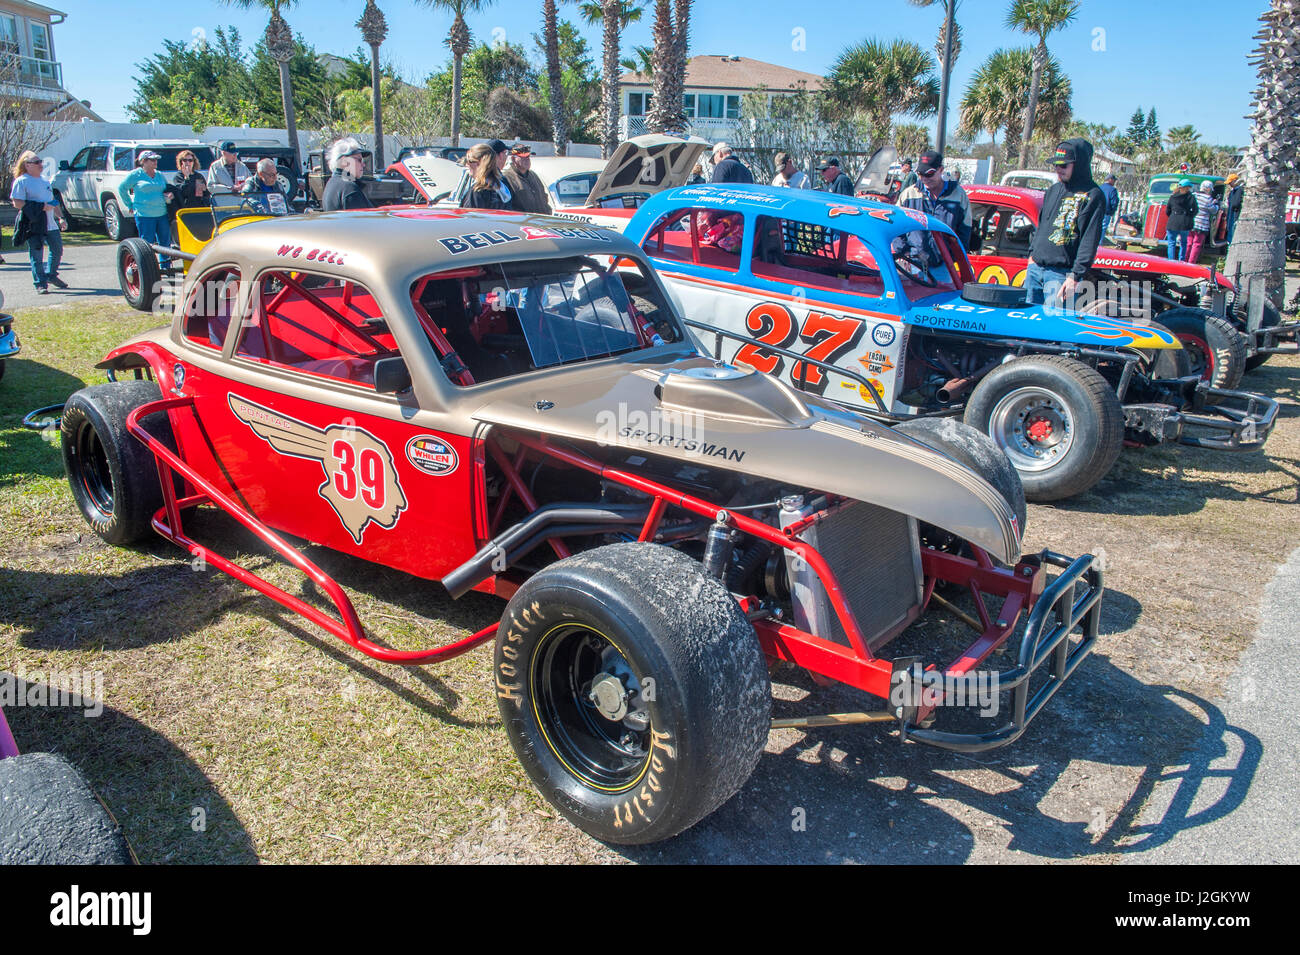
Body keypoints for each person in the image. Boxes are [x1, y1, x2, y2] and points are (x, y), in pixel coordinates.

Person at [1025, 139, 1107, 311]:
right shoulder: (1053, 190)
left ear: (1078, 165)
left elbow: (1089, 240)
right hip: (1035, 269)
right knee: (1029, 328)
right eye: (1056, 165)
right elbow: (1041, 226)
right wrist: (1032, 256)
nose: (1058, 169)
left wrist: (1075, 276)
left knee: (1054, 330)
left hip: (1062, 275)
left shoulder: (1093, 195)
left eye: (1064, 166)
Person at [9, 150, 68, 292]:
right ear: (27, 165)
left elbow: (53, 202)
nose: (40, 164)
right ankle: (40, 283)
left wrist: (60, 217)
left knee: (57, 250)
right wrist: (40, 207)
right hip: (33, 224)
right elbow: (17, 202)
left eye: (40, 161)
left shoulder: (44, 181)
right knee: (36, 254)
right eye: (37, 162)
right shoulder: (21, 181)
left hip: (50, 224)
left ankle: (51, 275)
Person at [896, 149, 972, 250]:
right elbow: (895, 225)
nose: (924, 178)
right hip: (913, 260)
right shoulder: (908, 195)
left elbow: (965, 229)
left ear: (941, 170)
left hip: (947, 262)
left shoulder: (958, 195)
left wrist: (957, 257)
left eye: (929, 174)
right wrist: (903, 251)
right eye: (920, 174)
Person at [121, 150, 172, 268]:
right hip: (144, 215)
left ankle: (166, 267)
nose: (155, 162)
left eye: (156, 160)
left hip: (162, 213)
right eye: (152, 160)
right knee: (147, 244)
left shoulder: (159, 174)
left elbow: (166, 188)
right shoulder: (135, 175)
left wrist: (168, 196)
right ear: (143, 162)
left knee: (165, 243)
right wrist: (130, 205)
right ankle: (148, 268)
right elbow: (122, 188)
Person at [321, 137, 374, 211]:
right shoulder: (349, 188)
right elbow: (363, 221)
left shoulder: (332, 183)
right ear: (344, 161)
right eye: (359, 160)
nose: (363, 164)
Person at [502, 144, 550, 214]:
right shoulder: (506, 178)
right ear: (513, 159)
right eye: (523, 157)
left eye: (528, 156)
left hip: (541, 221)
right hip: (522, 222)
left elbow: (544, 197)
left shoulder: (533, 175)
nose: (527, 159)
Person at [166, 149, 208, 228]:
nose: (188, 163)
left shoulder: (198, 176)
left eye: (190, 160)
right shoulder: (178, 176)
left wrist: (205, 190)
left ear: (194, 162)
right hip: (185, 210)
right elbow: (182, 192)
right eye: (185, 160)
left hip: (199, 209)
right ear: (181, 162)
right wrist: (187, 178)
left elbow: (204, 194)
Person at [461, 143, 508, 210]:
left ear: (478, 163)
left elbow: (471, 219)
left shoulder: (477, 191)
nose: (467, 164)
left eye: (469, 161)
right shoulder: (503, 188)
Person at [1164, 178, 1197, 262]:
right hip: (1185, 222)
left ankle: (1171, 260)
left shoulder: (1173, 197)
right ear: (1188, 187)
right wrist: (1189, 216)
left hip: (1173, 221)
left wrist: (1172, 216)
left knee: (1171, 243)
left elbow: (1167, 210)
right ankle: (1181, 260)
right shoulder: (1191, 197)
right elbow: (1195, 210)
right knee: (1183, 243)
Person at [1186, 179, 1219, 264]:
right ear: (1208, 189)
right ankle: (1191, 262)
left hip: (1190, 222)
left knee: (1188, 243)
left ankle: (1184, 260)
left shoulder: (1193, 195)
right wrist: (1216, 204)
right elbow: (1213, 210)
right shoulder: (1208, 198)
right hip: (1201, 224)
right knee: (1196, 244)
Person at [1099, 173, 1120, 243]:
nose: (1114, 182)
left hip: (1097, 211)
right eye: (1114, 180)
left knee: (1095, 228)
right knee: (1102, 228)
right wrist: (1112, 212)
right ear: (1110, 180)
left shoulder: (1099, 187)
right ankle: (1099, 245)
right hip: (1106, 212)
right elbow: (1114, 202)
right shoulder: (1112, 190)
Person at [1225, 173, 1244, 243]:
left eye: (1230, 182)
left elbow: (1236, 203)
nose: (1229, 184)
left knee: (1233, 231)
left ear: (1235, 181)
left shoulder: (1240, 190)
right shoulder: (1232, 192)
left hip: (1235, 214)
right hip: (1230, 214)